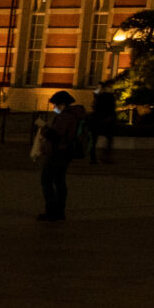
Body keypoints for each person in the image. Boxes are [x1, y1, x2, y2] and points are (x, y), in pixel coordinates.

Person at [35, 90, 86, 221]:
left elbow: (55, 135)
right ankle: (59, 210)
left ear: (61, 104)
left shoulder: (65, 117)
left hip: (57, 151)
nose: (54, 107)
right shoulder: (75, 115)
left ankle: (51, 210)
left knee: (46, 180)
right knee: (59, 181)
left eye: (55, 104)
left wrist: (43, 128)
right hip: (67, 152)